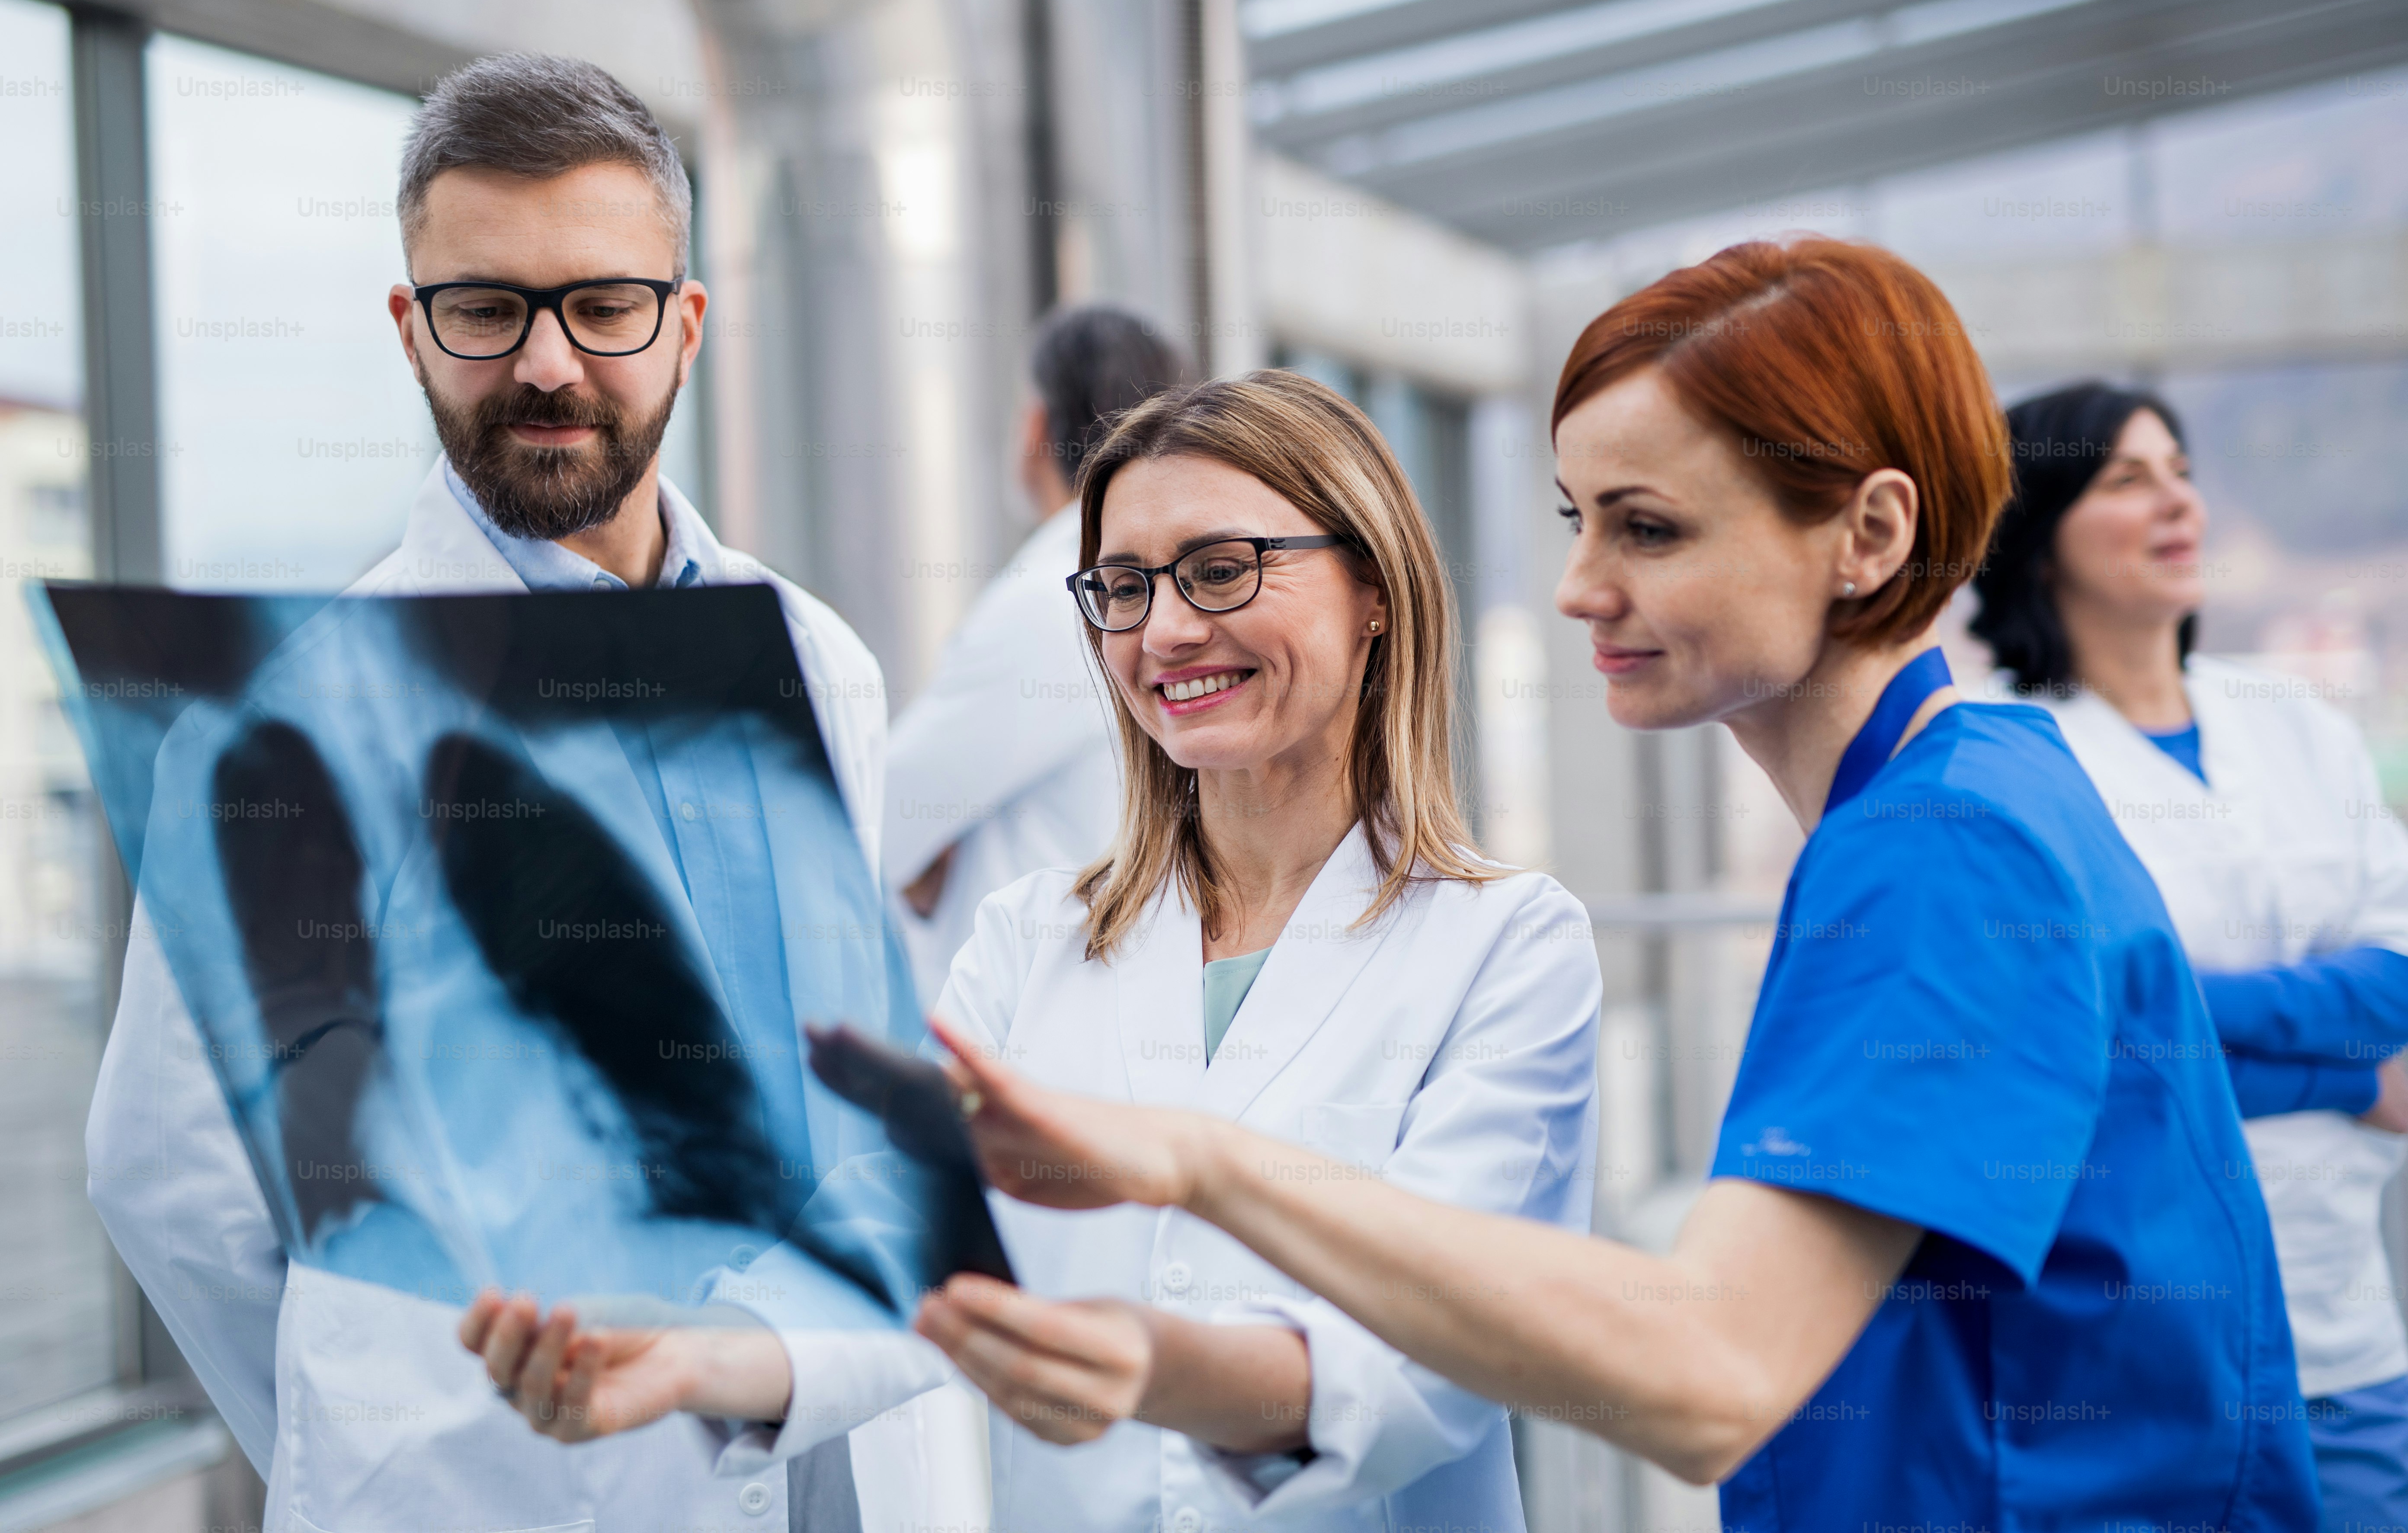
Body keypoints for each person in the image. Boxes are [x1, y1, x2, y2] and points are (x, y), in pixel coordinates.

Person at [910, 238, 2322, 1530]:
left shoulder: (1938, 847)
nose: (1578, 584)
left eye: (1644, 529)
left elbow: (1709, 1369)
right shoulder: (1950, 803)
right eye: (1573, 518)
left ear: (1870, 536)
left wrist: (1203, 1165)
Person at [474, 369, 1604, 1533]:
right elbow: (904, 1230)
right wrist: (697, 1355)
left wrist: (1145, 1366)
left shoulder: (1508, 948)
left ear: (1372, 585)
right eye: (1123, 587)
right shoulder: (1032, 941)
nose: (1165, 630)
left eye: (1222, 570)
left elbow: (1449, 1340)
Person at [83, 53, 967, 1533]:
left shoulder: (818, 661)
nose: (547, 365)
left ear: (683, 326)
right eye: (484, 308)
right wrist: (376, 1438)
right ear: (410, 332)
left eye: (602, 303)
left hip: (812, 1471)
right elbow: (171, 1183)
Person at [1970, 381, 2408, 1533]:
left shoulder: (2298, 726)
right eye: (2127, 480)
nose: (2178, 504)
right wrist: (2352, 1072)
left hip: (2343, 1333)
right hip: (2130, 1361)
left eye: (2181, 471)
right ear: (2040, 531)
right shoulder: (2009, 762)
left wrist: (2173, 1022)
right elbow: (2067, 1042)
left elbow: (2401, 977)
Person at [886, 304, 1182, 1007]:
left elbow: (876, 820)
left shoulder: (1051, 598)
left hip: (1042, 1017)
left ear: (1036, 430)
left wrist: (933, 859)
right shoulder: (1167, 591)